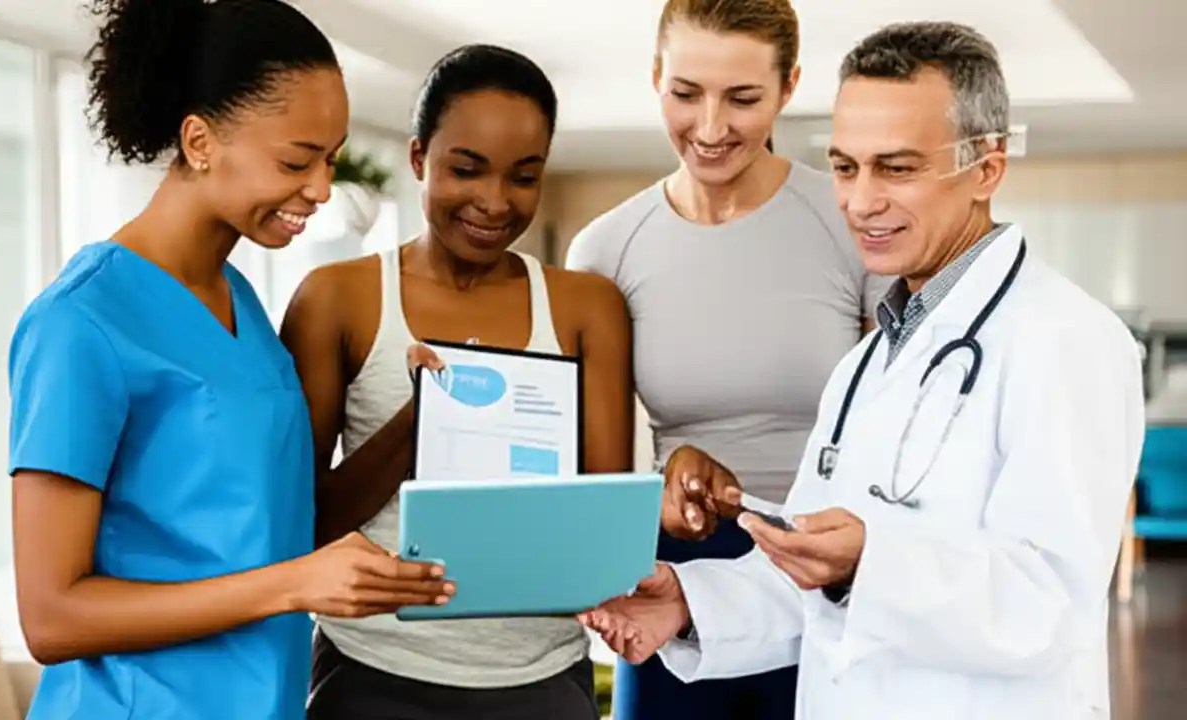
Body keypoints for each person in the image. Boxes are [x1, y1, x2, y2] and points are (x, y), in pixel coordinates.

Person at [581, 20, 1145, 719]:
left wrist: (868, 565)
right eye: (846, 167)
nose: (860, 201)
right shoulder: (866, 364)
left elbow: (1049, 603)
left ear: (987, 169)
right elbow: (813, 568)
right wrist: (692, 602)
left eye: (897, 168)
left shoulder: (1068, 340)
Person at [6, 2, 454, 718]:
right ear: (200, 140)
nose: (318, 186)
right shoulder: (81, 322)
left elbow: (276, 529)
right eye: (294, 159)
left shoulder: (240, 303)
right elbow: (51, 617)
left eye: (330, 158)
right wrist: (295, 585)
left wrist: (419, 419)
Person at [280, 44, 633, 720]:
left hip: (541, 671)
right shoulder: (337, 299)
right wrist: (421, 422)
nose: (494, 202)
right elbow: (302, 521)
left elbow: (601, 535)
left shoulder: (590, 308)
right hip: (375, 667)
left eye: (524, 177)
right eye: (466, 170)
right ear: (419, 158)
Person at [565, 1, 889, 717]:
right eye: (685, 94)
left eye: (743, 98)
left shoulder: (850, 225)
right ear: (655, 77)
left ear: (789, 86)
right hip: (674, 573)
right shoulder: (606, 249)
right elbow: (600, 463)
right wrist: (665, 483)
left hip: (827, 567)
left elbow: (893, 430)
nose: (710, 129)